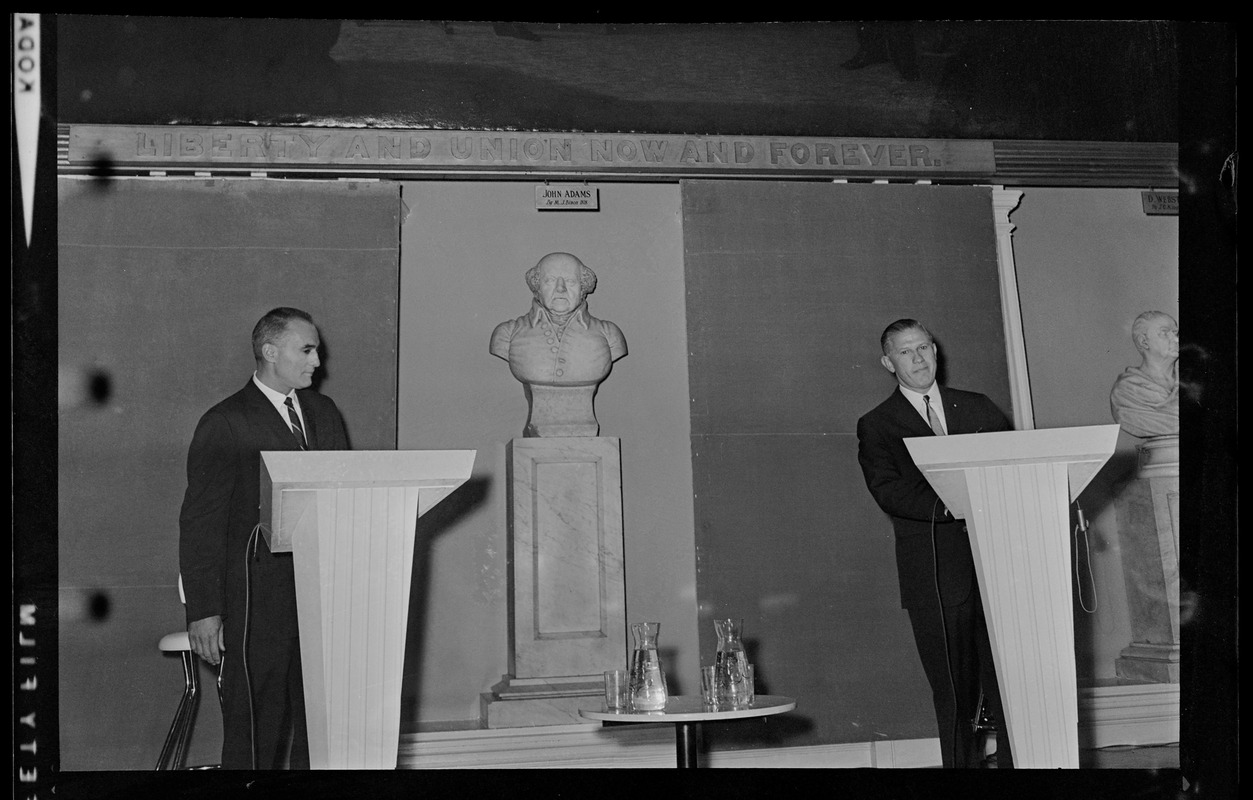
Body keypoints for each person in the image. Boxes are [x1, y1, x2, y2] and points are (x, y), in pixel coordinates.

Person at [179, 307, 349, 770]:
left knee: (323, 729)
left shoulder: (324, 413)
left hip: (318, 600)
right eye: (307, 349)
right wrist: (204, 610)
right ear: (270, 352)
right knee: (256, 730)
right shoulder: (226, 422)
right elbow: (201, 524)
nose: (318, 361)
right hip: (255, 605)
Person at [855, 319, 1013, 769]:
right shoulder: (878, 424)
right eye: (906, 352)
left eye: (925, 347)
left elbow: (1010, 466)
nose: (919, 358)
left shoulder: (980, 408)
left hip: (998, 567)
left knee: (1011, 686)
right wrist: (959, 503)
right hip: (936, 575)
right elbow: (888, 490)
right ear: (888, 362)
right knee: (954, 691)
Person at [490, 252, 626, 436]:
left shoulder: (609, 334)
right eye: (550, 281)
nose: (560, 289)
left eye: (570, 282)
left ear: (583, 288)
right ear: (537, 287)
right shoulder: (507, 334)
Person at [1109, 311, 1180, 438]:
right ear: (1144, 342)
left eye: (1175, 333)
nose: (1176, 339)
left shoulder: (1192, 381)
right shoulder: (1126, 391)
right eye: (1164, 333)